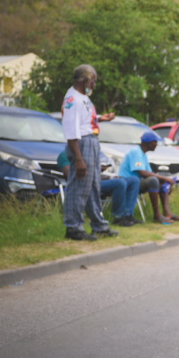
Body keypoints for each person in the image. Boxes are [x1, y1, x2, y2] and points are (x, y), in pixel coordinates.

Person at [60, 64, 118, 241]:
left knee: (93, 186)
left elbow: (83, 121)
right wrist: (78, 158)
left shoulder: (82, 97)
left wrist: (100, 118)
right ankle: (73, 227)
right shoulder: (72, 99)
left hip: (91, 142)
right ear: (85, 80)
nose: (94, 84)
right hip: (81, 144)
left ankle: (99, 225)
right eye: (94, 81)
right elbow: (71, 130)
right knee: (78, 185)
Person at [57, 148, 136, 228]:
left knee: (131, 180)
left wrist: (99, 169)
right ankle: (118, 217)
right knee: (120, 183)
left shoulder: (86, 153)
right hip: (84, 184)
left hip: (97, 180)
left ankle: (127, 214)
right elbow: (70, 175)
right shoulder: (64, 155)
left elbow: (92, 173)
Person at [119, 131, 179, 225]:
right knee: (153, 180)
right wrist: (164, 178)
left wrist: (165, 180)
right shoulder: (136, 151)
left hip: (137, 182)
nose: (156, 145)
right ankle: (156, 215)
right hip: (128, 182)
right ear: (149, 143)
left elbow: (150, 173)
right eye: (155, 142)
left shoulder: (143, 154)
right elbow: (142, 172)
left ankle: (167, 212)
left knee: (160, 181)